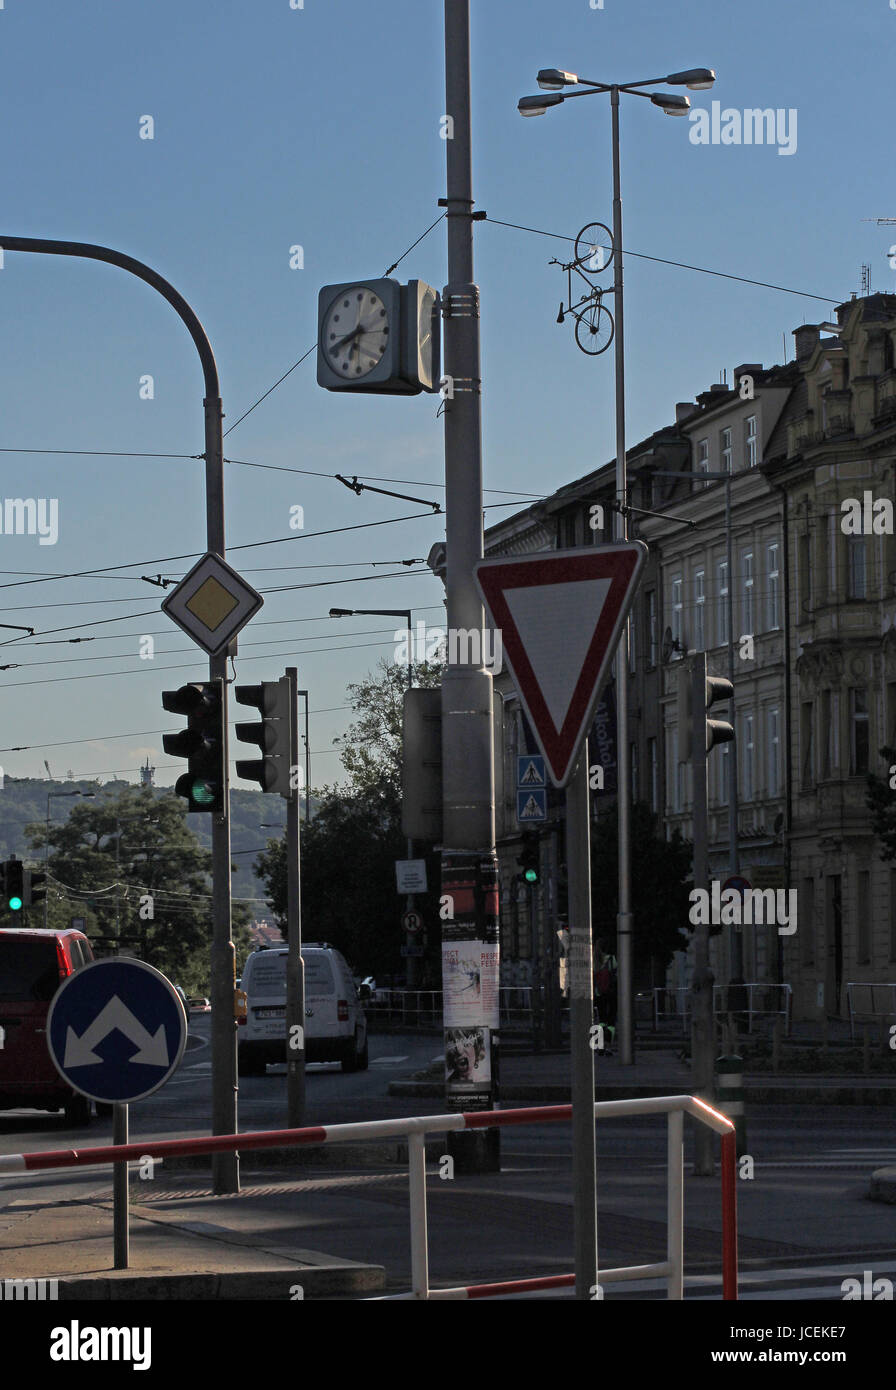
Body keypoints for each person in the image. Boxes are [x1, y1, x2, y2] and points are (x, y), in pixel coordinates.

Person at [593, 938, 618, 1054]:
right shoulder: (611, 959)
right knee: (611, 1021)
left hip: (599, 994)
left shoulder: (594, 961)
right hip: (611, 993)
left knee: (601, 1020)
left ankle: (600, 1046)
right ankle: (609, 1045)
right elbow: (616, 975)